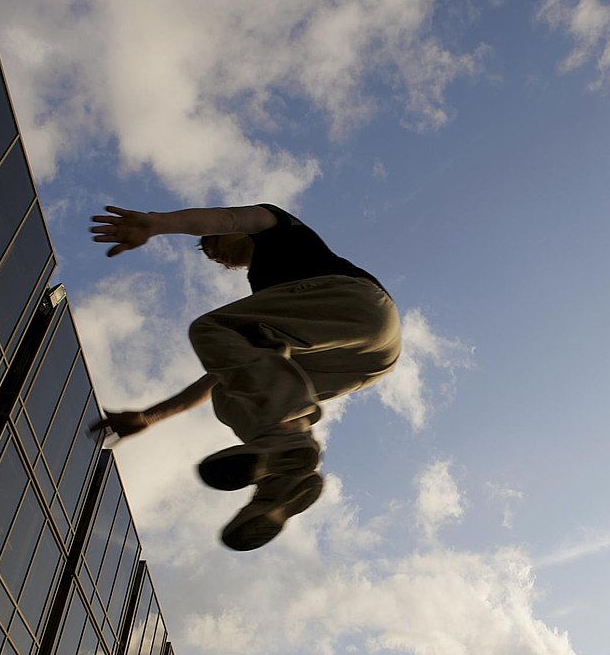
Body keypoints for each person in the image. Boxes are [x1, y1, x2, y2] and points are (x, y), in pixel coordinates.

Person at [87, 204, 401, 551]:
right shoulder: (271, 308)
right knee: (229, 389)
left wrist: (157, 224)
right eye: (211, 257)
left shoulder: (276, 227)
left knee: (211, 329)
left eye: (215, 245)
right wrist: (150, 417)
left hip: (355, 302)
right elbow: (215, 379)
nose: (217, 256)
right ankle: (282, 484)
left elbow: (229, 219)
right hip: (366, 359)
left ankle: (287, 439)